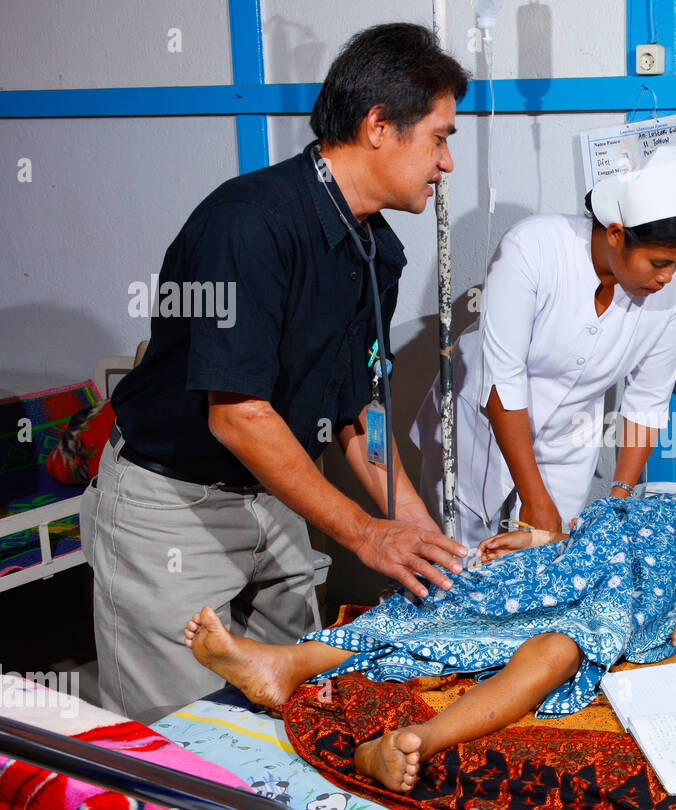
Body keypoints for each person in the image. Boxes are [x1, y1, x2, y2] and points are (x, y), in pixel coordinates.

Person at [82, 23, 471, 724]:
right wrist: (362, 532)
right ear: (379, 125)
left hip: (277, 493)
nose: (446, 164)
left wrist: (411, 521)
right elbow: (237, 414)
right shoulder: (247, 226)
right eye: (440, 137)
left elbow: (361, 409)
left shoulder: (376, 249)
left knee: (291, 703)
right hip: (173, 505)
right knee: (181, 734)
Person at [184, 472, 676, 793]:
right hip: (602, 550)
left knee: (568, 642)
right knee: (458, 587)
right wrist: (552, 544)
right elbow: (632, 520)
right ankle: (286, 661)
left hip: (651, 586)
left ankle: (415, 744)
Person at [412, 146, 676, 549]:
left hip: (569, 437)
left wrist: (617, 502)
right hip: (484, 424)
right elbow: (504, 377)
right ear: (617, 234)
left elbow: (648, 399)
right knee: (466, 562)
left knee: (552, 560)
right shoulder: (535, 247)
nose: (669, 277)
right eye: (659, 262)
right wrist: (533, 498)